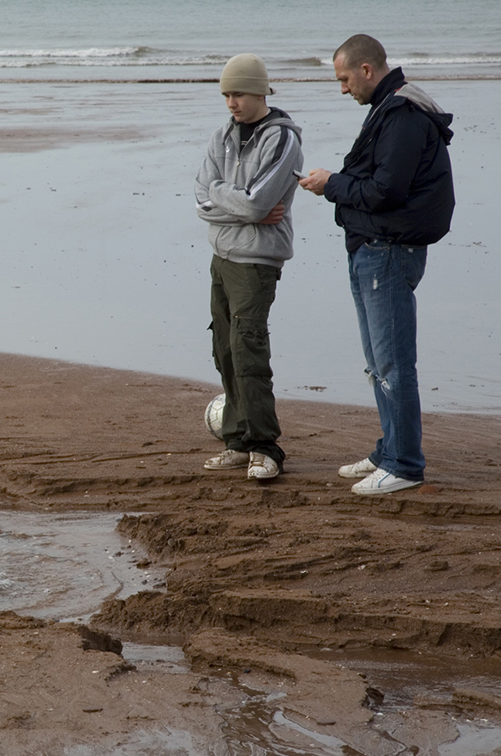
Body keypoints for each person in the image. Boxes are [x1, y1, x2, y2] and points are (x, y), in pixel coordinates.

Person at [300, 34, 455, 496]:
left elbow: (386, 190)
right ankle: (390, 450)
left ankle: (405, 464)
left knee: (393, 364)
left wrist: (332, 184)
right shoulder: (389, 108)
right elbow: (376, 182)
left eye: (344, 78)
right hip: (374, 246)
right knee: (377, 363)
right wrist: (339, 185)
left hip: (389, 250)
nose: (342, 88)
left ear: (366, 70)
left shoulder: (402, 114)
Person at [195, 53, 303, 481]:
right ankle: (237, 441)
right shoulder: (221, 136)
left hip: (256, 261)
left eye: (237, 93)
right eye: (226, 94)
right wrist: (235, 201)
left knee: (248, 349)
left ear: (259, 91)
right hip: (221, 256)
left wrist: (238, 203)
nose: (231, 103)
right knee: (224, 348)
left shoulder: (282, 139)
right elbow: (201, 198)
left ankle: (266, 447)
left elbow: (260, 201)